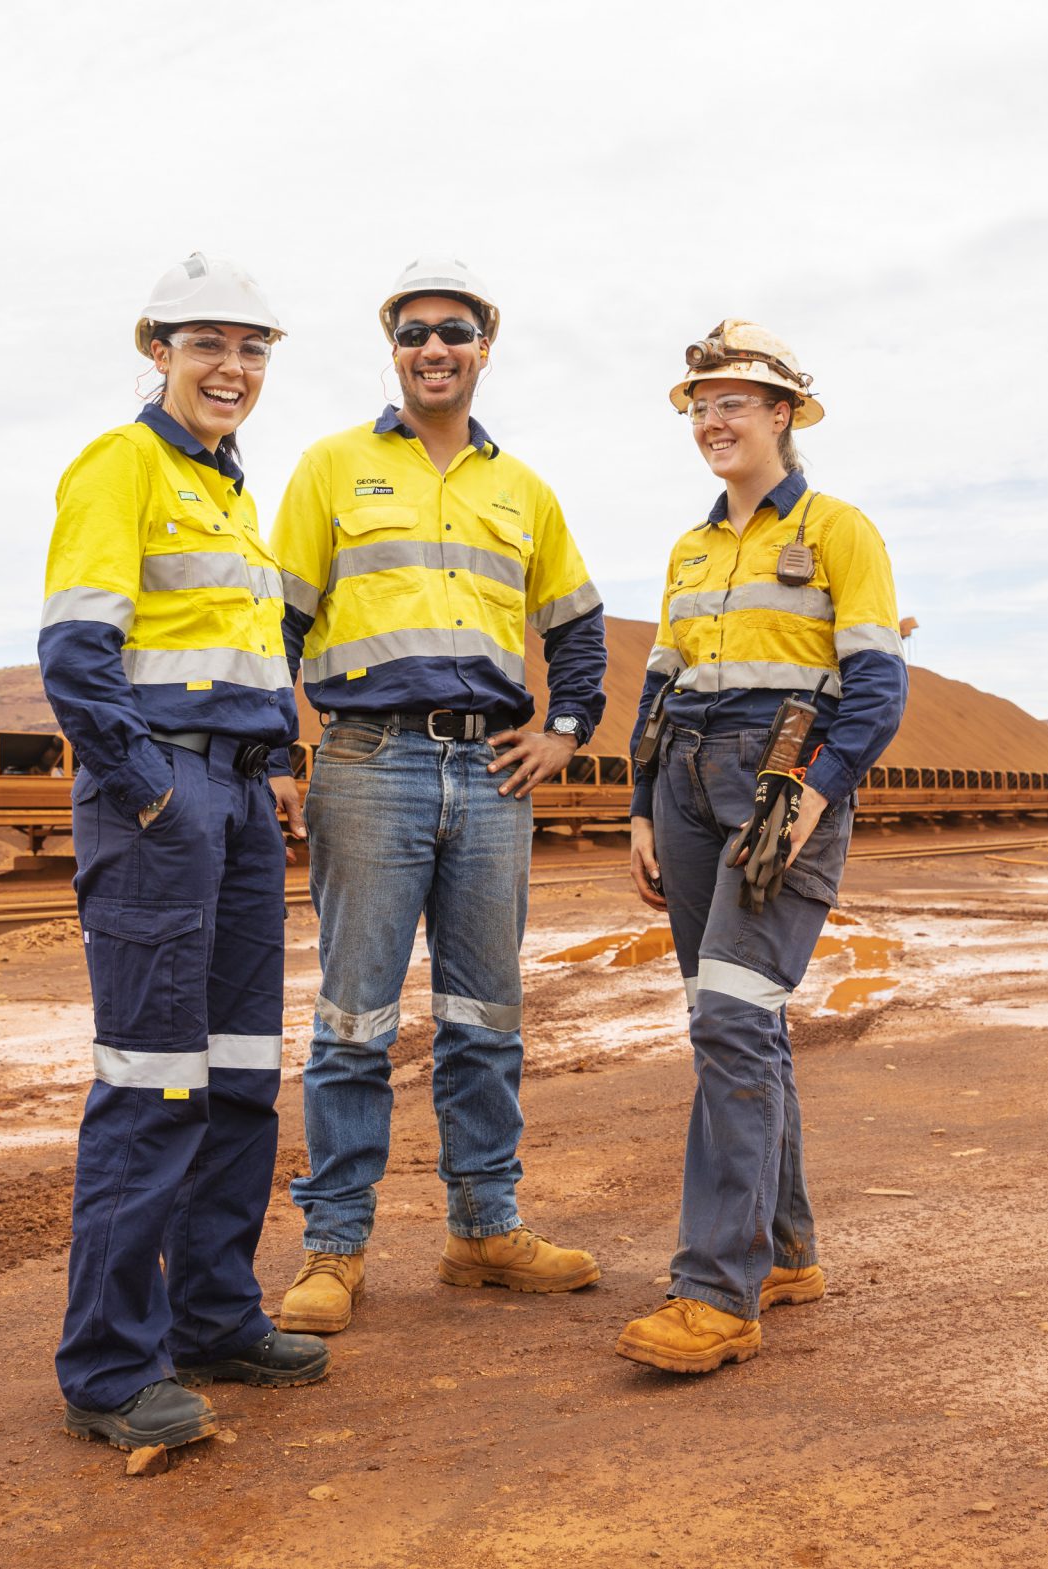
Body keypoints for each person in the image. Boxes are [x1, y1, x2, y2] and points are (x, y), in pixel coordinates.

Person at [269, 256, 609, 1334]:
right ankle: (334, 1251)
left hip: (493, 772)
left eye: (454, 331)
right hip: (370, 764)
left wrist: (563, 729)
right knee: (353, 1019)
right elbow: (270, 622)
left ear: (483, 348)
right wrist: (283, 752)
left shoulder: (524, 491)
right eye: (414, 332)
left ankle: (483, 1230)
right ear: (394, 348)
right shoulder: (332, 467)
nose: (434, 349)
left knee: (484, 1018)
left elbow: (578, 624)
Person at [37, 252, 328, 1451]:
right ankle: (110, 1368)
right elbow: (74, 653)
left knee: (243, 1074)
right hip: (161, 796)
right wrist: (152, 791)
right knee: (152, 1082)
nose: (233, 367)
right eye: (209, 343)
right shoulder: (123, 465)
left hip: (242, 798)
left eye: (253, 348)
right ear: (156, 349)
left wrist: (262, 781)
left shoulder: (230, 493)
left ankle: (214, 1314)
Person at [614, 320, 907, 1374]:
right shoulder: (692, 547)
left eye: (734, 402)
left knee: (736, 1023)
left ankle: (715, 1294)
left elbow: (877, 684)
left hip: (779, 780)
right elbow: (658, 684)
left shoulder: (838, 530)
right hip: (687, 777)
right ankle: (783, 1254)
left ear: (783, 415)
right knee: (727, 1024)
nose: (712, 420)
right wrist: (642, 808)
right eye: (700, 404)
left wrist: (820, 794)